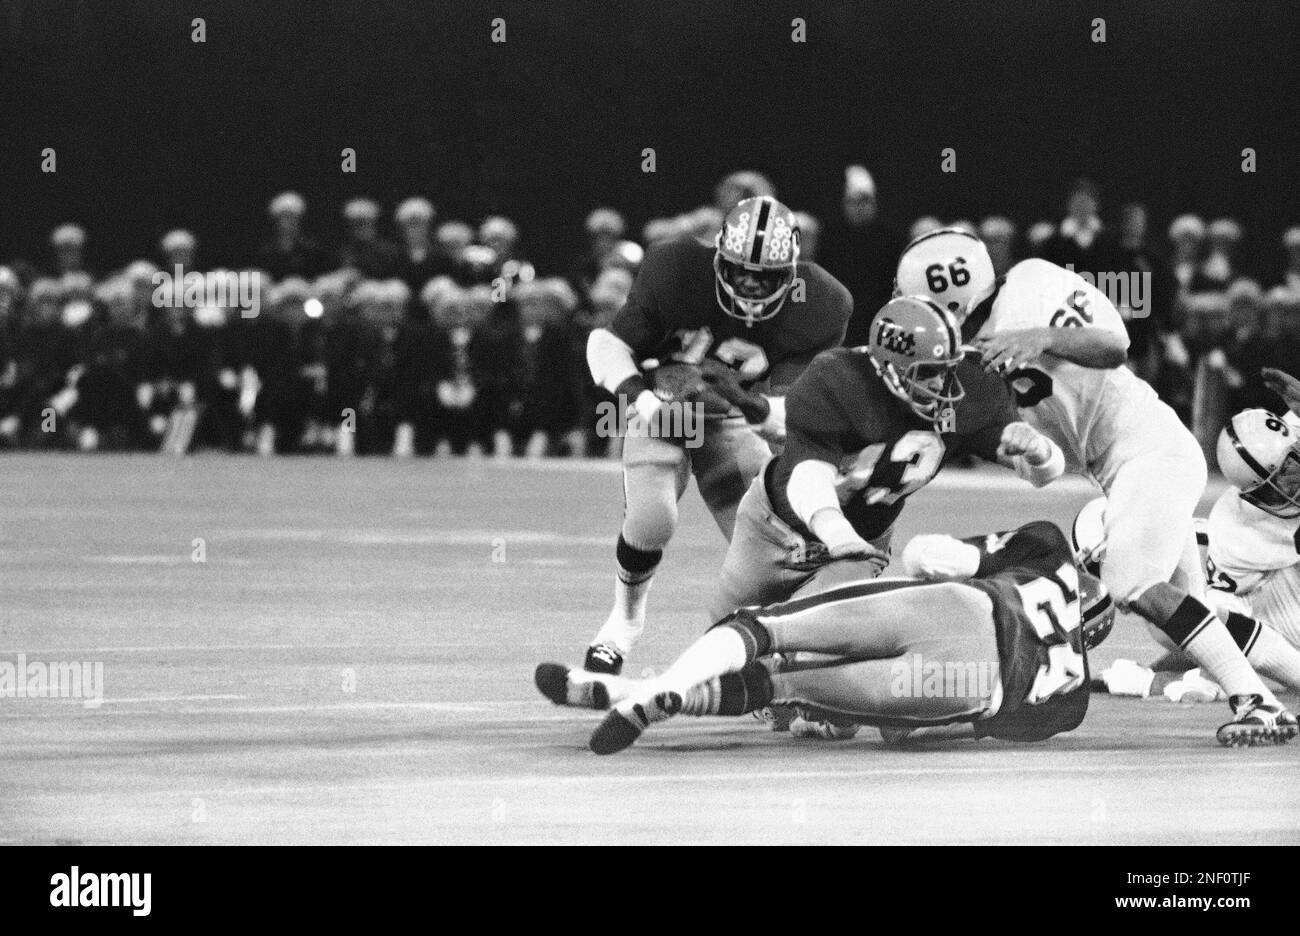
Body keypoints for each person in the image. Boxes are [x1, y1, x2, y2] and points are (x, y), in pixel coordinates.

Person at [896, 226, 1298, 744]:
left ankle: (1258, 703)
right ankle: (1276, 692)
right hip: (1117, 469)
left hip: (1151, 449)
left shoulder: (1029, 282)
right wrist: (1026, 450)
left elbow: (1114, 344)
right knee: (1203, 609)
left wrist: (1042, 337)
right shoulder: (962, 365)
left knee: (1129, 580)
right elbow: (1046, 471)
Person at [537, 520, 1114, 755]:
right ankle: (647, 698)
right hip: (972, 685)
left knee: (769, 628)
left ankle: (628, 692)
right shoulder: (1074, 705)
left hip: (967, 609)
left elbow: (933, 557)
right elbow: (911, 736)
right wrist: (862, 715)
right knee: (779, 687)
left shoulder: (1048, 544)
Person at [579, 195, 852, 675]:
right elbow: (606, 343)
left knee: (764, 546)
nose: (749, 282)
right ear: (719, 257)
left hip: (732, 417)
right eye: (740, 269)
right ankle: (622, 626)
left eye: (764, 274)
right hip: (664, 407)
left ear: (791, 272)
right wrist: (641, 398)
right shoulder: (677, 267)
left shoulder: (823, 302)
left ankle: (776, 647)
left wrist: (751, 403)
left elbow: (800, 413)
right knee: (652, 516)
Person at [706, 295, 1063, 628]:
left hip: (860, 545)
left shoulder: (973, 389)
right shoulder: (837, 378)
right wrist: (837, 532)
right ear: (886, 366)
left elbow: (1043, 475)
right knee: (723, 639)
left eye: (947, 369)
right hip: (772, 527)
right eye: (927, 373)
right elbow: (808, 474)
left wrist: (1039, 450)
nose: (942, 384)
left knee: (808, 643)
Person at [815, 165, 906, 347]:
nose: (859, 208)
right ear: (844, 203)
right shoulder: (830, 238)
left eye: (864, 202)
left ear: (873, 203)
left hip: (880, 324)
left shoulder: (891, 239)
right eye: (853, 202)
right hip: (841, 324)